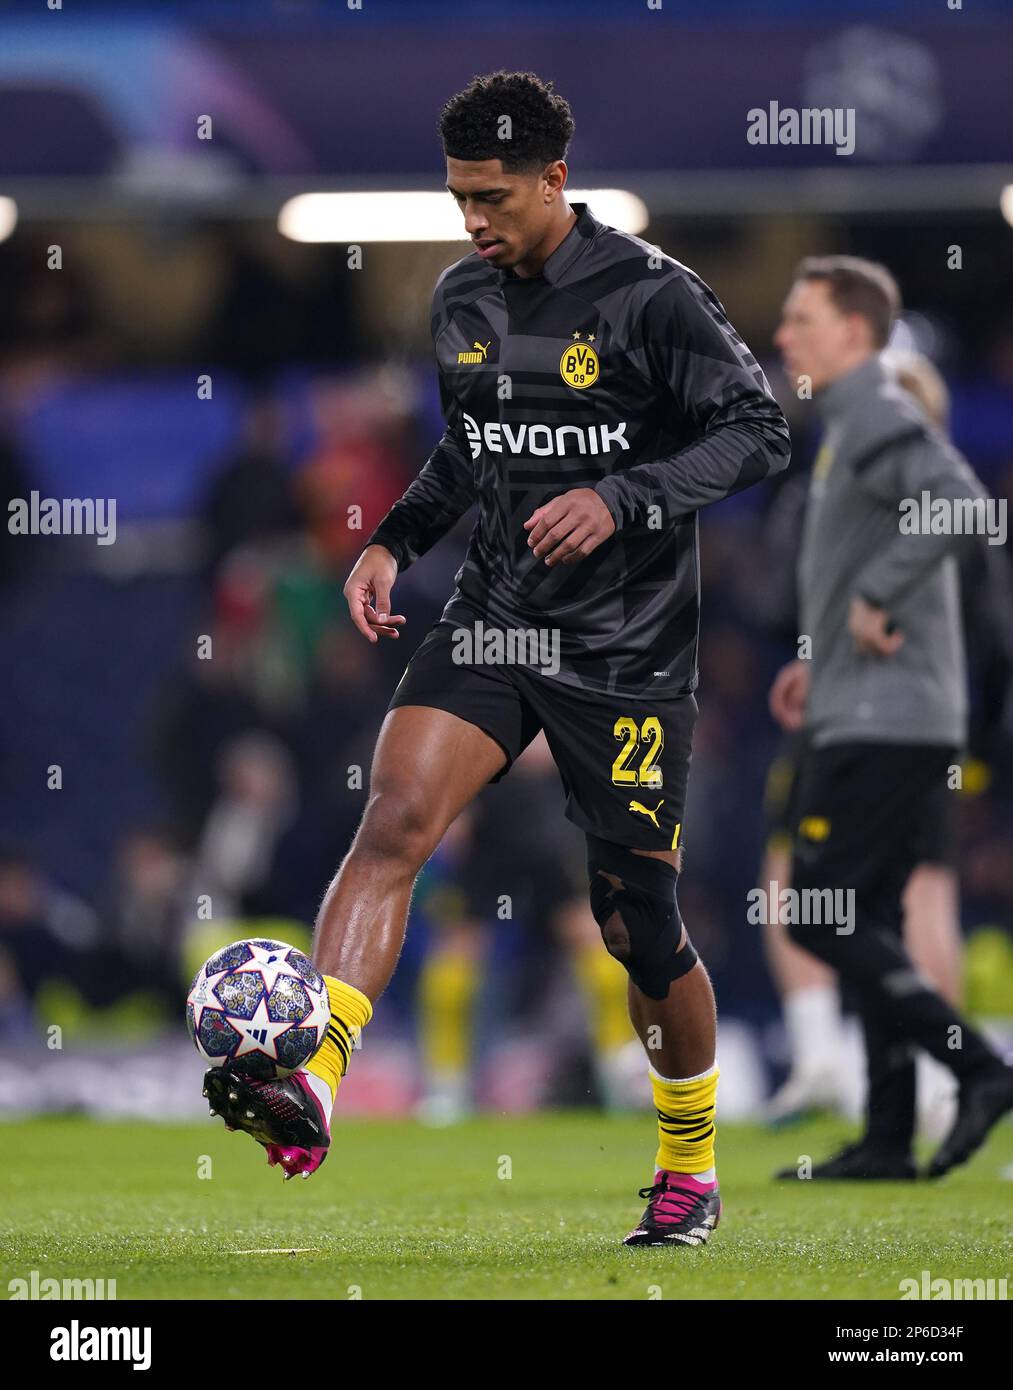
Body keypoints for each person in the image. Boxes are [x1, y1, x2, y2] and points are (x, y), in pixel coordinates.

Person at [203, 70, 790, 1246]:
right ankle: (313, 1078)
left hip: (623, 651)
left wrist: (624, 496)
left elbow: (759, 428)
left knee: (637, 921)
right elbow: (466, 456)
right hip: (492, 617)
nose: (473, 219)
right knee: (395, 820)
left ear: (554, 180)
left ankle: (688, 1164)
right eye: (458, 195)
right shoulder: (462, 295)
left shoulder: (651, 297)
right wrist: (392, 542)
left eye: (493, 196)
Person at [769, 255, 1013, 1180]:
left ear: (853, 333)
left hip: (886, 718)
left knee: (819, 915)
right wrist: (817, 661)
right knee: (863, 909)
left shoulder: (873, 405)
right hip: (867, 703)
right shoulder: (845, 421)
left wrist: (878, 590)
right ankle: (884, 1135)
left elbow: (959, 502)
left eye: (801, 319)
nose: (783, 335)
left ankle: (980, 1067)